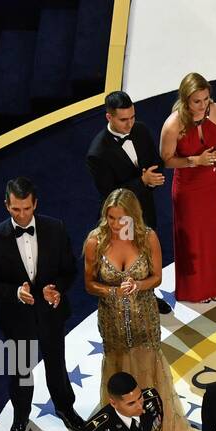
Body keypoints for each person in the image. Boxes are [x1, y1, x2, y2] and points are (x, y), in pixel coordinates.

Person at [82, 188, 197, 431]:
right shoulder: (95, 242)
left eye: (122, 219)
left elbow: (156, 277)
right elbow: (89, 284)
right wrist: (111, 291)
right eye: (111, 218)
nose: (116, 224)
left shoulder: (148, 238)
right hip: (112, 323)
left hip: (144, 319)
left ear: (134, 217)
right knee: (119, 372)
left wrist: (140, 284)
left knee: (149, 373)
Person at [0, 177, 85, 431]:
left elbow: (69, 269)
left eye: (27, 208)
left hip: (51, 312)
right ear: (7, 205)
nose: (22, 215)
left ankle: (65, 408)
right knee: (21, 371)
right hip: (17, 318)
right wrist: (15, 293)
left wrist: (57, 289)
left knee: (56, 364)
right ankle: (21, 417)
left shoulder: (55, 229)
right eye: (16, 209)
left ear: (35, 203)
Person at [84, 90, 174, 314]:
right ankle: (130, 304)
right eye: (124, 119)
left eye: (132, 116)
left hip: (146, 209)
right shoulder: (97, 152)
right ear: (109, 117)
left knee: (148, 255)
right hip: (120, 218)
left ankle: (149, 296)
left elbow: (156, 160)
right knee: (129, 262)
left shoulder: (140, 130)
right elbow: (109, 194)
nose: (130, 123)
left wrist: (154, 176)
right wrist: (142, 181)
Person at [160, 73, 216, 302]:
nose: (203, 105)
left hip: (215, 183)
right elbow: (166, 160)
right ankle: (197, 289)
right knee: (194, 238)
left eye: (206, 99)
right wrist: (195, 161)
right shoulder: (173, 125)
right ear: (185, 101)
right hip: (189, 189)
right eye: (197, 101)